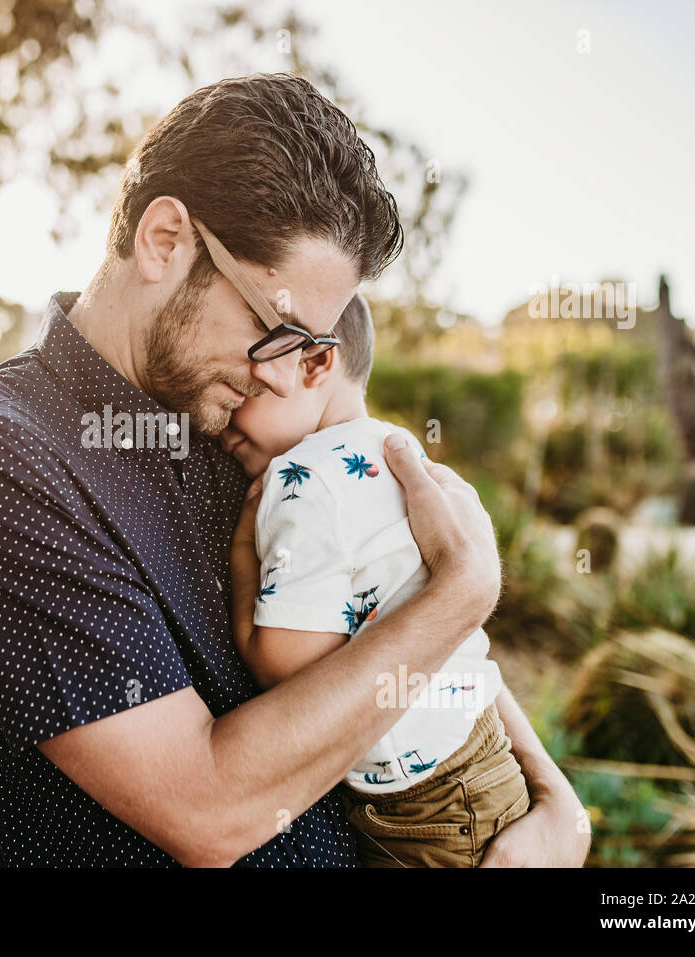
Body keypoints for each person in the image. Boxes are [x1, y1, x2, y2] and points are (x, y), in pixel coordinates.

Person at [0, 73, 590, 867]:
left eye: (311, 350)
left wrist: (554, 803)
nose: (284, 373)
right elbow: (208, 810)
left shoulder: (247, 419)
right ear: (164, 240)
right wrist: (466, 588)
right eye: (277, 328)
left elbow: (401, 597)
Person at [222, 294, 530, 867]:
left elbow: (282, 665)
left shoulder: (298, 478)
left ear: (314, 364)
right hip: (481, 754)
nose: (222, 426)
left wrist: (243, 555)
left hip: (427, 807)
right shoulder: (398, 448)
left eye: (241, 393)